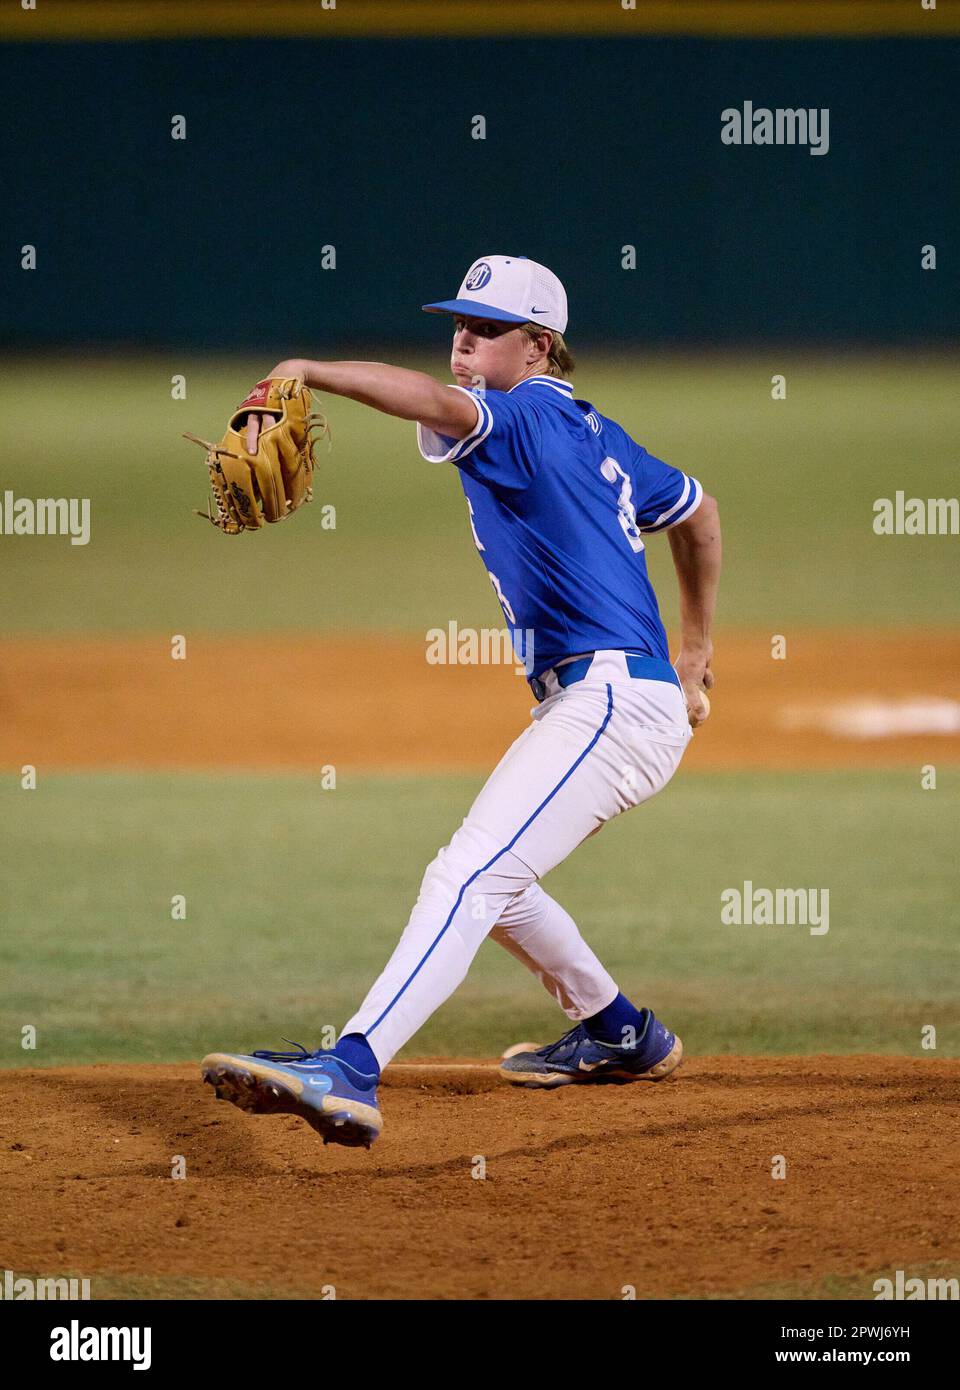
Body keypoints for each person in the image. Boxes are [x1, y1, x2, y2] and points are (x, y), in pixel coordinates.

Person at [201, 255, 721, 1149]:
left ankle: (351, 1067)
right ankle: (620, 1031)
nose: (463, 341)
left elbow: (431, 402)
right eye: (459, 323)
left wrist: (305, 370)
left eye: (486, 329)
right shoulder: (598, 432)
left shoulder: (516, 416)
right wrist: (698, 657)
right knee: (500, 880)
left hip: (610, 708)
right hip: (608, 703)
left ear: (540, 346)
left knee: (467, 876)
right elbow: (701, 514)